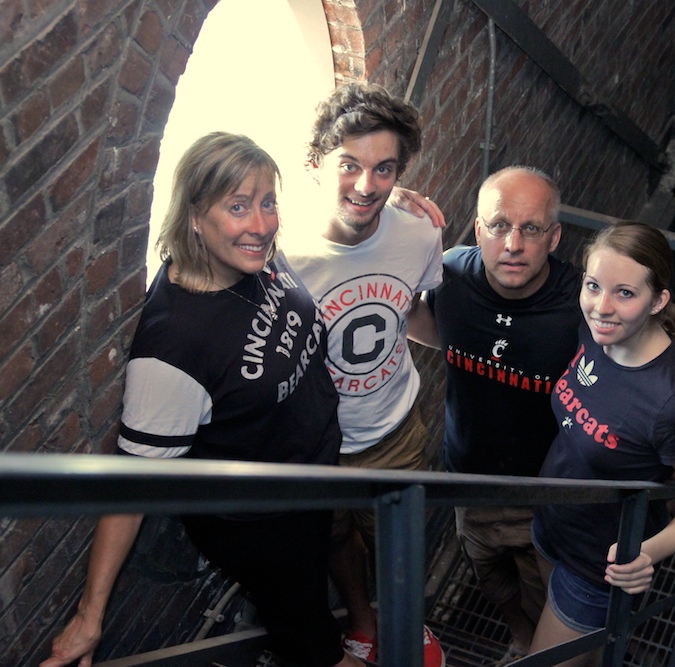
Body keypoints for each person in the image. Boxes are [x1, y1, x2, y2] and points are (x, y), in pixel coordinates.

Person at [42, 133, 366, 667]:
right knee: (309, 638)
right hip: (265, 525)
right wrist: (89, 614)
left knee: (336, 547)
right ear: (195, 216)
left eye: (267, 202)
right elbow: (133, 484)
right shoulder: (174, 350)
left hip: (315, 475)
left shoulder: (252, 253)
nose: (261, 224)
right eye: (237, 207)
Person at [282, 82, 445, 666]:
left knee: (399, 541)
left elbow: (416, 313)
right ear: (315, 164)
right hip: (317, 443)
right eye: (349, 165)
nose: (366, 185)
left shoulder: (419, 231)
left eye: (385, 169)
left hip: (393, 429)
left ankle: (407, 620)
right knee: (333, 540)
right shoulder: (279, 252)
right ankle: (362, 621)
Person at [529, 221, 675, 667]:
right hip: (550, 526)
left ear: (658, 301)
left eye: (625, 293)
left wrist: (647, 553)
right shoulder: (593, 332)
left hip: (599, 565)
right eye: (593, 286)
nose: (601, 307)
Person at [409, 166, 580, 663]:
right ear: (479, 229)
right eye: (500, 225)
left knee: (551, 599)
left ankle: (538, 650)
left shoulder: (582, 306)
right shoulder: (452, 275)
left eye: (531, 229)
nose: (513, 244)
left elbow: (655, 357)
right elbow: (426, 326)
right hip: (471, 480)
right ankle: (520, 638)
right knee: (490, 577)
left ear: (554, 237)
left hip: (546, 498)